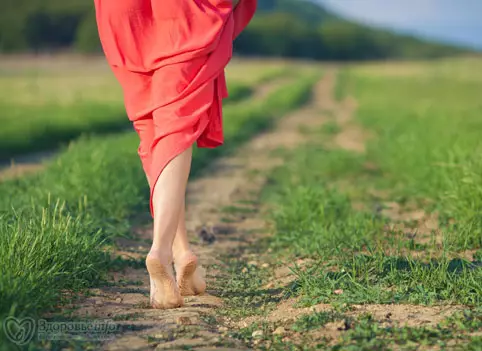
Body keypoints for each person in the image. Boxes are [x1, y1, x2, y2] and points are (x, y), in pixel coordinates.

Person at [93, 0, 257, 309]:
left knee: (152, 130)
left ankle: (182, 254)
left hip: (121, 11)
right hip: (182, 9)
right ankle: (161, 251)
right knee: (177, 122)